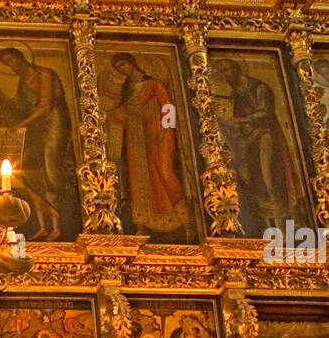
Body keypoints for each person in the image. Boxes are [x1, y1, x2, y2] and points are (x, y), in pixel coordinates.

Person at [212, 56, 305, 236]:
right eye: (220, 72)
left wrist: (239, 120)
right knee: (247, 177)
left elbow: (265, 113)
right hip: (246, 141)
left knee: (268, 178)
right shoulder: (235, 94)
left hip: (264, 136)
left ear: (237, 69)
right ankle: (266, 228)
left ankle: (283, 229)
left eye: (226, 70)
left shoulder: (259, 88)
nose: (224, 76)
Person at [107, 52, 194, 240]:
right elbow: (127, 109)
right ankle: (143, 224)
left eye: (123, 65)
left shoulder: (154, 83)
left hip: (158, 131)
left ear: (132, 63)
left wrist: (168, 128)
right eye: (118, 68)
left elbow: (168, 107)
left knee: (164, 172)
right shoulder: (127, 88)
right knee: (139, 178)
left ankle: (186, 221)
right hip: (135, 134)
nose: (122, 70)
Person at [0, 47, 77, 239]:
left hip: (53, 123)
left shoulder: (44, 74)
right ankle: (42, 226)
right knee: (30, 171)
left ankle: (58, 225)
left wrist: (20, 125)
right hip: (35, 127)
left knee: (50, 165)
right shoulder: (22, 82)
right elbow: (22, 107)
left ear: (21, 58)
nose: (12, 66)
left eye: (13, 61)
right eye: (7, 64)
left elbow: (45, 106)